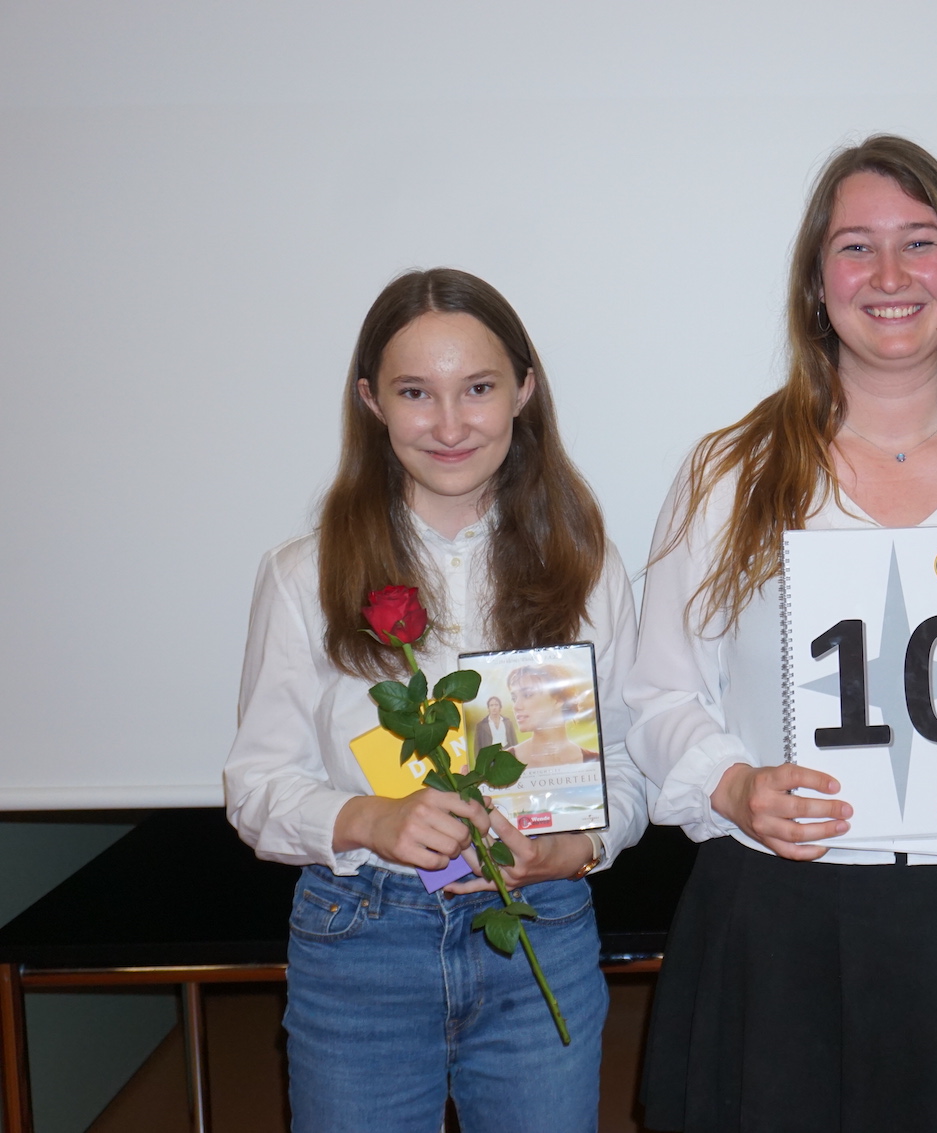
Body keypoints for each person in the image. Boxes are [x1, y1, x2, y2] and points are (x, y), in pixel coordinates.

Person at [625, 134, 937, 1133]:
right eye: (856, 247)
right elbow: (660, 697)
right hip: (784, 920)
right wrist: (733, 785)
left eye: (920, 242)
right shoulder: (729, 472)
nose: (892, 276)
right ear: (817, 284)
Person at [224, 268, 646, 1132]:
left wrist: (580, 847)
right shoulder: (304, 574)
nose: (450, 424)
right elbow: (256, 786)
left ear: (524, 389)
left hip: (541, 935)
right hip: (362, 943)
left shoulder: (584, 565)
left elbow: (634, 766)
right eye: (417, 392)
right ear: (371, 400)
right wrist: (367, 819)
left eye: (479, 389)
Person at [508, 663, 600, 766]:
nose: (516, 706)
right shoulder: (500, 763)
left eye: (527, 695)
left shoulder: (594, 761)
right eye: (514, 698)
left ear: (558, 699)